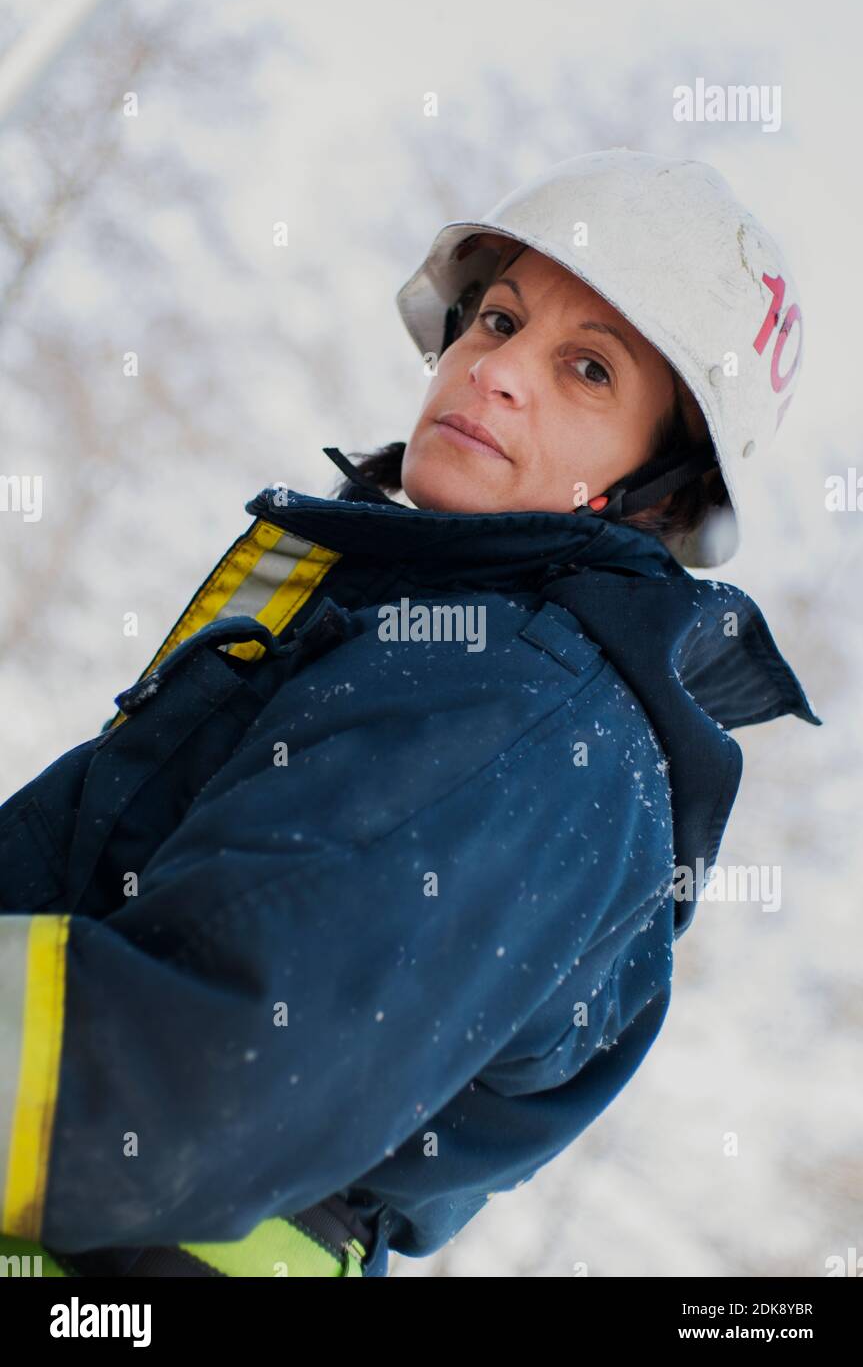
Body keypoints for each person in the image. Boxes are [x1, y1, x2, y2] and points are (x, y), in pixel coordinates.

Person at [0, 149, 820, 1280]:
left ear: (662, 491)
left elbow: (192, 1068)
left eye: (586, 368)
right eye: (494, 321)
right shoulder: (417, 640)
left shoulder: (528, 714)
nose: (496, 372)